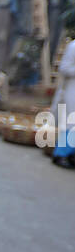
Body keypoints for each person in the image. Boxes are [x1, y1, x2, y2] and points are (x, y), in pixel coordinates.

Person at [51, 36, 75, 168]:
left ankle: (72, 155)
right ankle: (60, 154)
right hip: (72, 90)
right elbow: (64, 68)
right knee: (71, 124)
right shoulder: (73, 46)